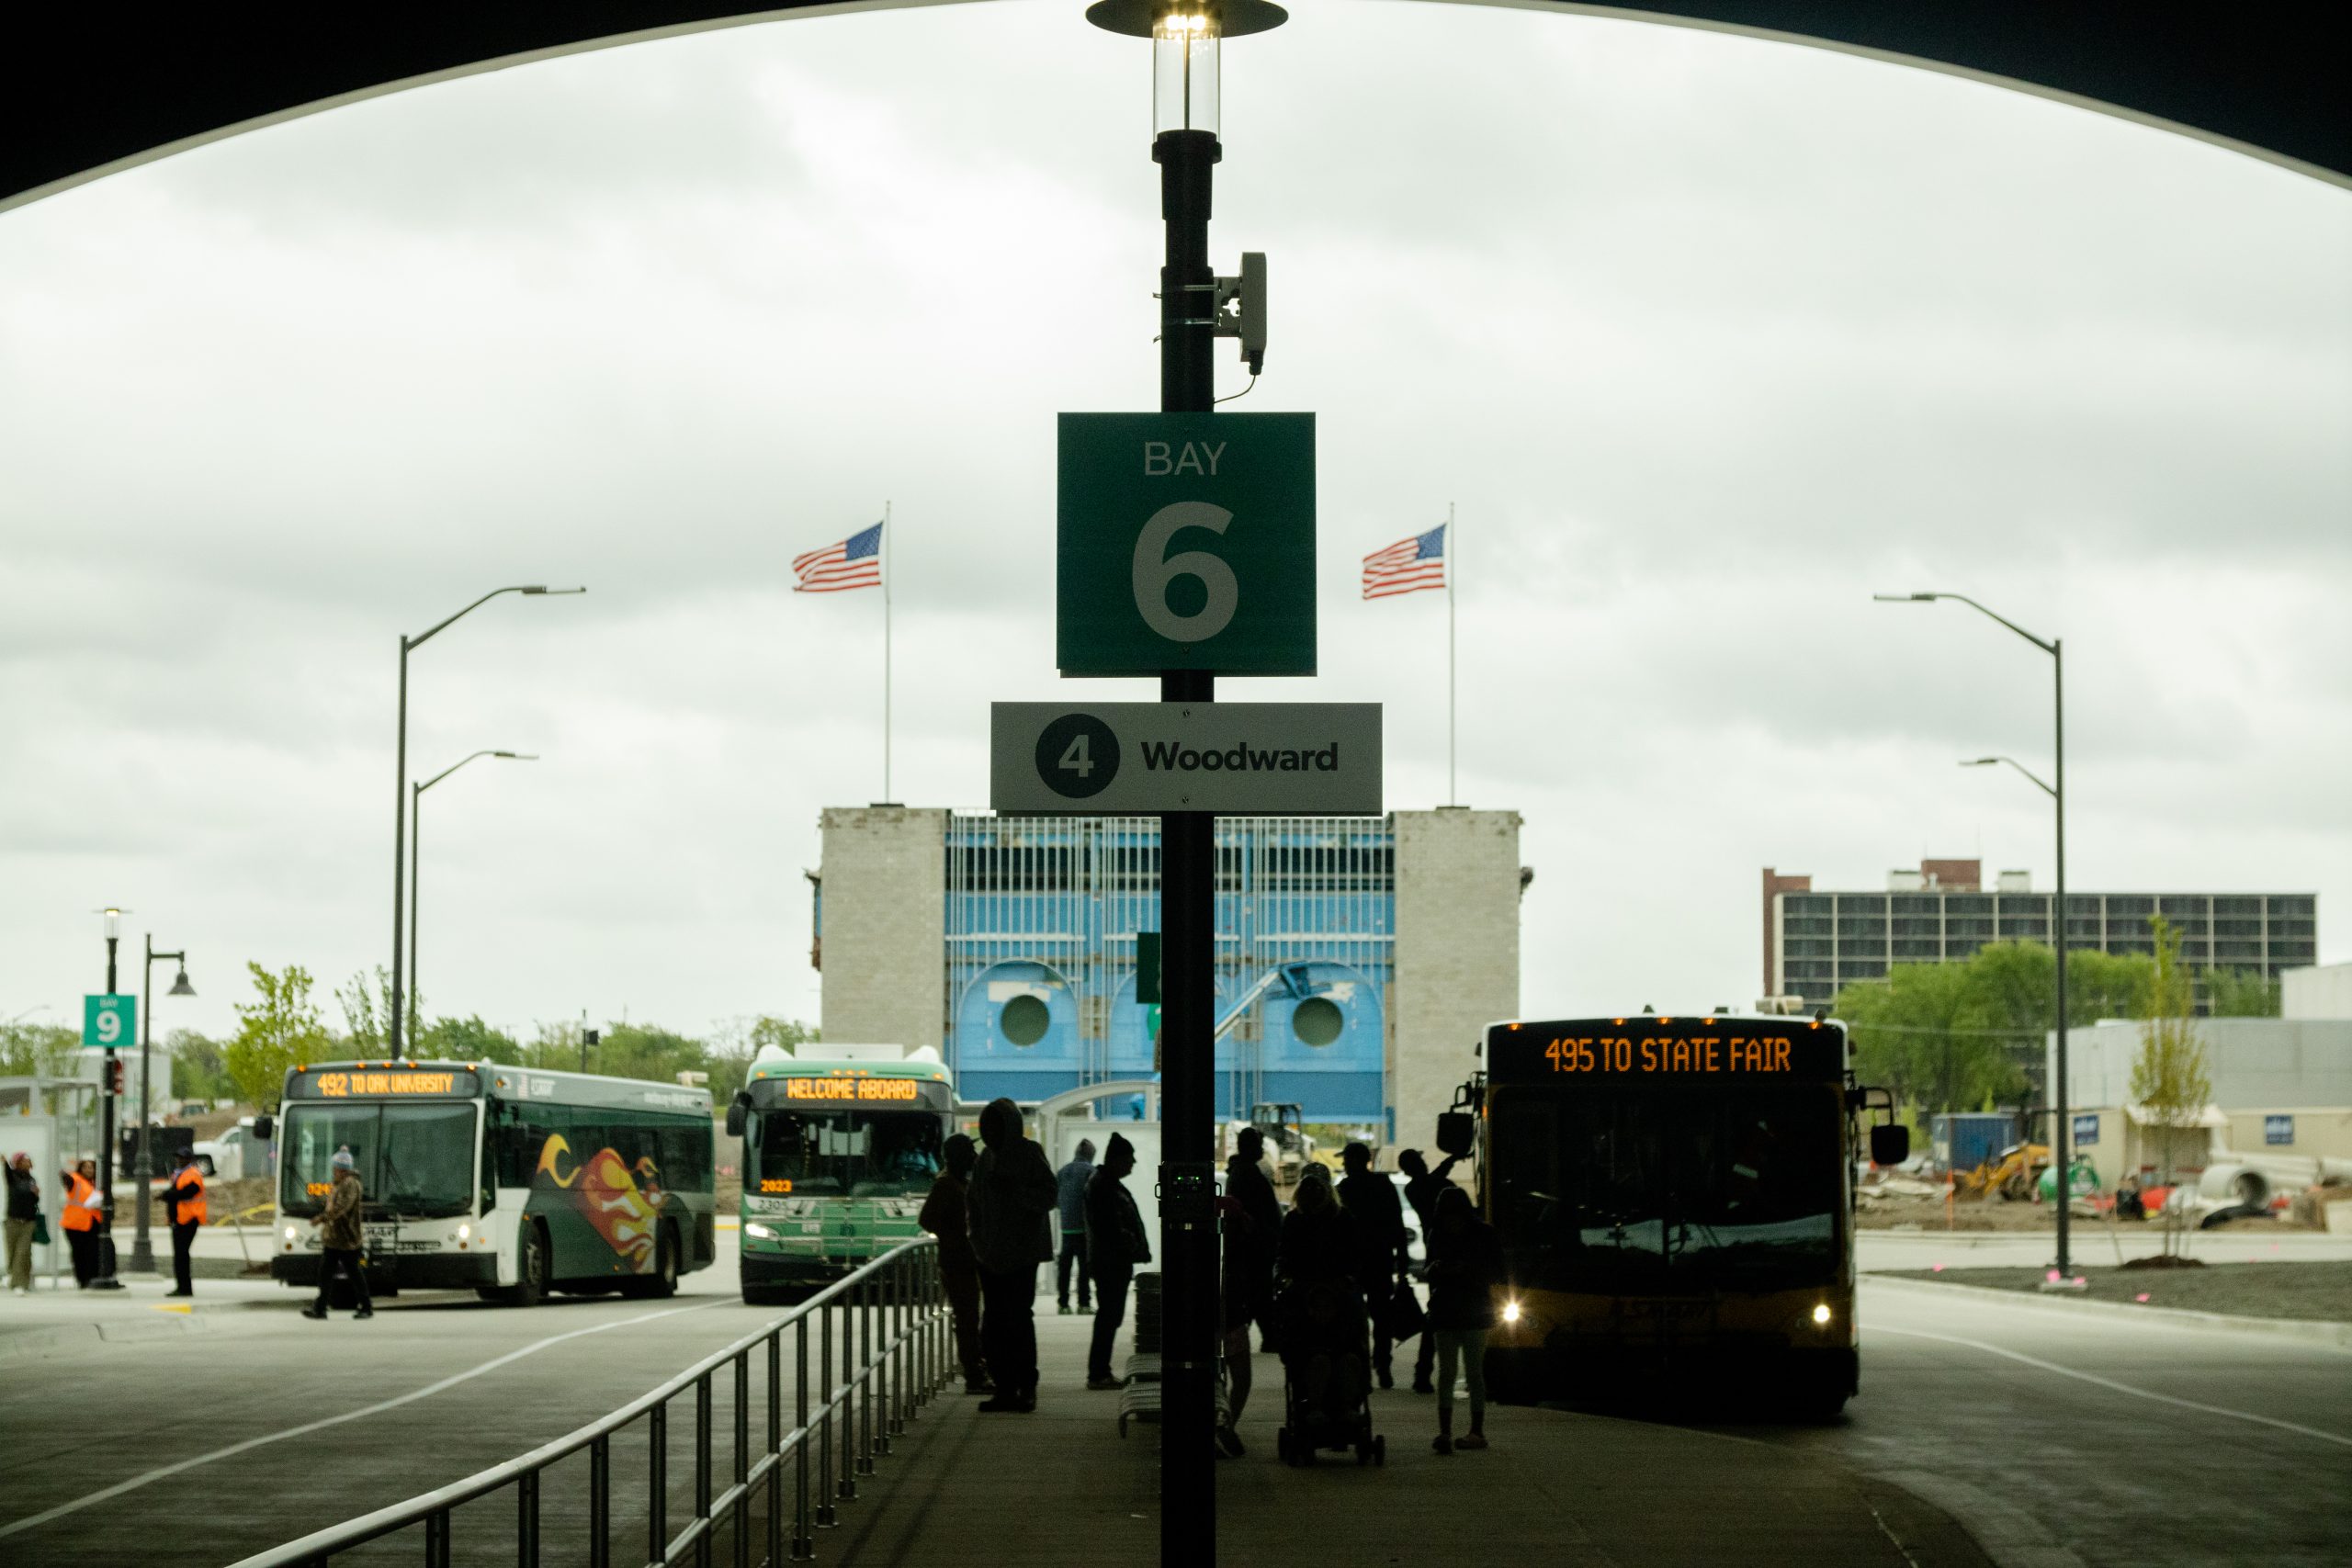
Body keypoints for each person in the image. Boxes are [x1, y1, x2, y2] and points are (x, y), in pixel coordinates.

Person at [966, 1098, 1055, 1413]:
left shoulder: (1030, 1154)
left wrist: (1016, 1191)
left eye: (995, 1125)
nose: (990, 1132)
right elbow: (973, 1205)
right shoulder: (984, 1159)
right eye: (986, 1125)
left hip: (1021, 1255)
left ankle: (1025, 1387)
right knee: (993, 1324)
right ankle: (1004, 1387)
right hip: (989, 1255)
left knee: (1017, 1320)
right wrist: (976, 1239)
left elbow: (1049, 1195)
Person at [1426, 1185, 1504, 1454]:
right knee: (1472, 1374)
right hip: (1473, 1311)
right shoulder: (1485, 1233)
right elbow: (1498, 1272)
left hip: (1449, 1310)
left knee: (1450, 1374)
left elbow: (1430, 1269)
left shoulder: (1438, 1233)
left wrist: (1442, 1270)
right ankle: (1474, 1431)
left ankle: (1447, 1432)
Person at [919, 1133, 990, 1393]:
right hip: (957, 1261)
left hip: (966, 1260)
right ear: (958, 1156)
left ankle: (978, 1369)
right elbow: (926, 1219)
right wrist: (954, 1234)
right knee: (967, 1319)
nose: (974, 1158)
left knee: (973, 1317)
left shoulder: (960, 1182)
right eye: (970, 1154)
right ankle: (973, 1374)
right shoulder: (946, 1185)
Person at [1336, 1141, 1410, 1389]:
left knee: (1355, 1321)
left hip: (1352, 1265)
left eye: (1346, 1159)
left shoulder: (1343, 1189)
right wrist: (1402, 1261)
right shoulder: (1383, 1185)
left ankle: (1362, 1373)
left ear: (1354, 1160)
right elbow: (1397, 1224)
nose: (1344, 1164)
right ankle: (1383, 1366)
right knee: (1382, 1317)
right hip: (1380, 1260)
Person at [1082, 1134, 1151, 1390]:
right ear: (1116, 1160)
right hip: (1111, 1262)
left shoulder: (1104, 1184)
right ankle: (1098, 1372)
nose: (1133, 1163)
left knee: (1109, 1317)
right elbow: (1110, 1228)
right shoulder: (1103, 1186)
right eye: (1129, 1158)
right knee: (1108, 1317)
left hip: (1111, 1261)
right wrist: (1131, 1244)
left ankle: (1100, 1370)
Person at [1397, 1147, 1464, 1392]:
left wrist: (1451, 1161)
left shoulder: (1413, 1189)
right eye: (1419, 1160)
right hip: (1442, 1255)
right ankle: (1423, 1372)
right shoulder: (1426, 1187)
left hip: (1434, 1255)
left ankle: (1423, 1372)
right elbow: (1435, 1180)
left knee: (1436, 1313)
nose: (1423, 1164)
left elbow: (1432, 1178)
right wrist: (1451, 1160)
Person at [1224, 1128, 1283, 1351]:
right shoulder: (1247, 1173)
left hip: (1252, 1246)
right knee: (1259, 1294)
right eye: (1258, 1145)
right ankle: (1264, 1336)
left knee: (1254, 1294)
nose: (1261, 1150)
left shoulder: (1241, 1172)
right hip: (1255, 1248)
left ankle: (1257, 1336)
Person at [1215, 1193, 1264, 1457]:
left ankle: (1220, 1426)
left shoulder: (1201, 1250)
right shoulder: (1243, 1248)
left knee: (1217, 1381)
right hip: (1233, 1319)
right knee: (1241, 1378)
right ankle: (1226, 1425)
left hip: (1213, 1321)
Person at [302, 1147, 372, 1321]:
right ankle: (320, 1308)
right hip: (335, 1239)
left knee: (354, 1273)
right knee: (326, 1274)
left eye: (335, 1168)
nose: (333, 1171)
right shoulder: (340, 1184)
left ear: (342, 1169)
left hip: (347, 1239)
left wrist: (321, 1219)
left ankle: (366, 1306)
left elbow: (341, 1209)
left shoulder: (350, 1184)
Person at [1055, 1138, 1096, 1315]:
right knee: (1084, 1268)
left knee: (1065, 1267)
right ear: (1090, 1155)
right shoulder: (1090, 1171)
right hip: (1084, 1227)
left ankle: (1063, 1304)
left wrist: (1065, 1209)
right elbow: (1094, 1198)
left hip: (1066, 1227)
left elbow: (1055, 1198)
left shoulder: (1063, 1171)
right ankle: (1084, 1303)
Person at [165, 1148, 207, 1297]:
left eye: (183, 1158)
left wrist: (168, 1195)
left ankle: (184, 1288)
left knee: (182, 1254)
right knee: (179, 1255)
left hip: (189, 1219)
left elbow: (188, 1193)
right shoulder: (178, 1174)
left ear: (189, 1159)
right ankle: (181, 1286)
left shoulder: (193, 1174)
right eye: (178, 1157)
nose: (179, 1160)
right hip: (179, 1220)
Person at [61, 1159, 102, 1288]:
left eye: (91, 1167)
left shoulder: (96, 1183)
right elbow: (67, 1179)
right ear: (80, 1169)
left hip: (92, 1223)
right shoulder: (75, 1179)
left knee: (92, 1253)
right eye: (86, 1167)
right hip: (75, 1224)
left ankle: (92, 1278)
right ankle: (83, 1280)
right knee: (79, 1253)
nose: (89, 1170)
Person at [6, 1154, 40, 1295]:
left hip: (28, 1221)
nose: (27, 1163)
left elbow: (33, 1201)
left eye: (28, 1161)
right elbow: (7, 1173)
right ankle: (21, 1279)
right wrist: (5, 1163)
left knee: (22, 1252)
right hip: (13, 1221)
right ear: (17, 1163)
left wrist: (37, 1195)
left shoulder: (31, 1180)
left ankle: (20, 1284)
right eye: (24, 1161)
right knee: (13, 1253)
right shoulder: (13, 1178)